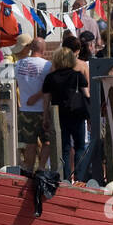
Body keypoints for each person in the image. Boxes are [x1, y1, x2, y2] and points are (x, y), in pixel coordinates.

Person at [42, 45, 89, 180]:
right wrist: (90, 115)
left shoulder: (50, 78)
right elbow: (86, 95)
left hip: (59, 117)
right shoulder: (77, 75)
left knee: (65, 148)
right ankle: (80, 177)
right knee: (80, 146)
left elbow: (46, 101)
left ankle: (67, 178)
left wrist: (45, 118)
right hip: (77, 114)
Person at [15, 36, 52, 170]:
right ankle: (41, 167)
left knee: (29, 143)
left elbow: (16, 85)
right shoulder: (47, 65)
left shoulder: (18, 64)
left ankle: (29, 169)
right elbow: (49, 87)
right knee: (47, 141)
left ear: (31, 48)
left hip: (25, 109)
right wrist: (37, 96)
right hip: (43, 110)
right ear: (43, 49)